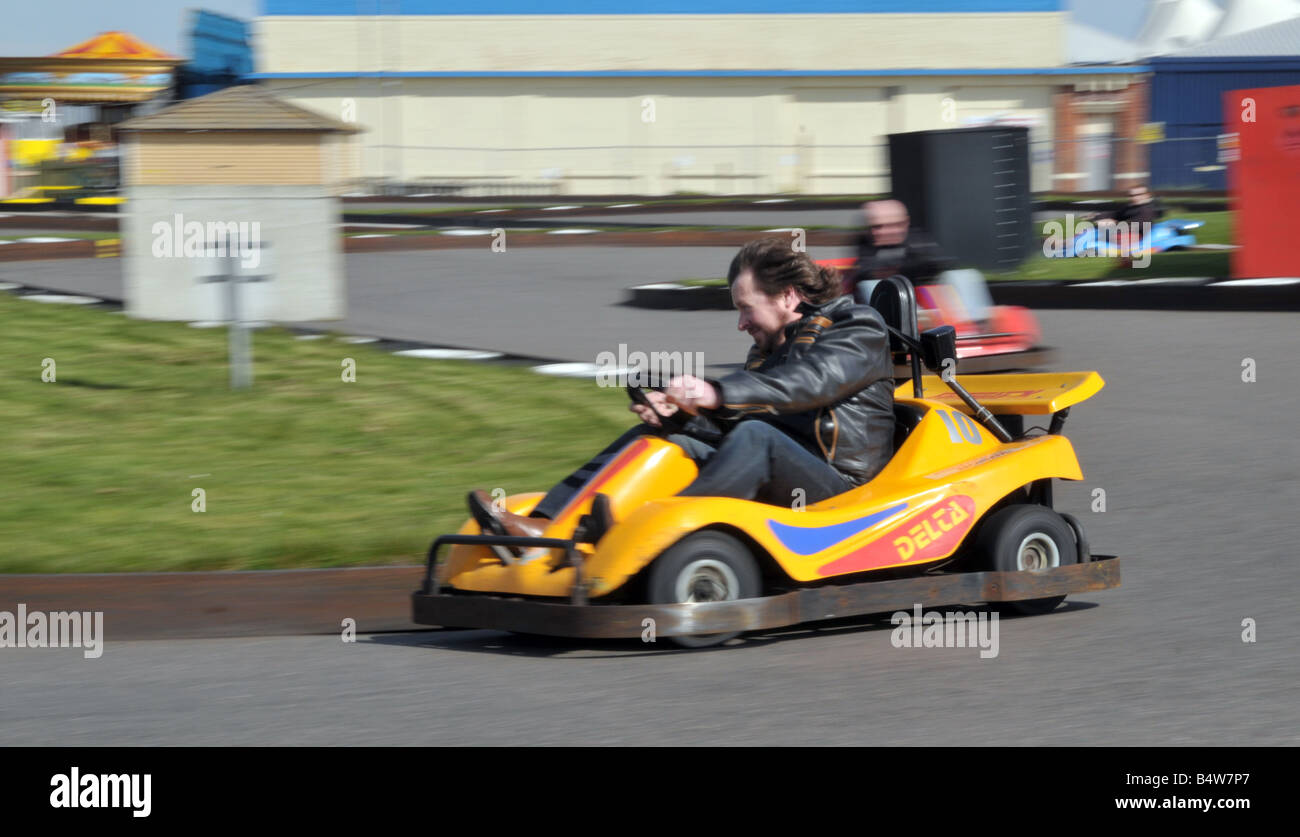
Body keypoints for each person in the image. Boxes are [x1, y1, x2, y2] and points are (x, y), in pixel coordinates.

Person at [469, 238, 897, 539]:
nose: (741, 323)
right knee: (664, 435)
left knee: (757, 436)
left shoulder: (856, 328)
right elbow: (749, 422)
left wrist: (716, 393)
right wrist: (683, 417)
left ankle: (662, 534)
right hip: (785, 465)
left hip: (845, 490)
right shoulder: (767, 352)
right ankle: (550, 524)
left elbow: (809, 384)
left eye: (746, 309)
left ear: (787, 296)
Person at [846, 199, 948, 301]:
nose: (886, 231)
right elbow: (865, 271)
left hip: (917, 299)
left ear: (906, 223)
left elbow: (938, 262)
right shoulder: (865, 246)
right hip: (882, 304)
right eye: (877, 227)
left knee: (951, 276)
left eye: (895, 225)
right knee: (868, 286)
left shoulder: (918, 241)